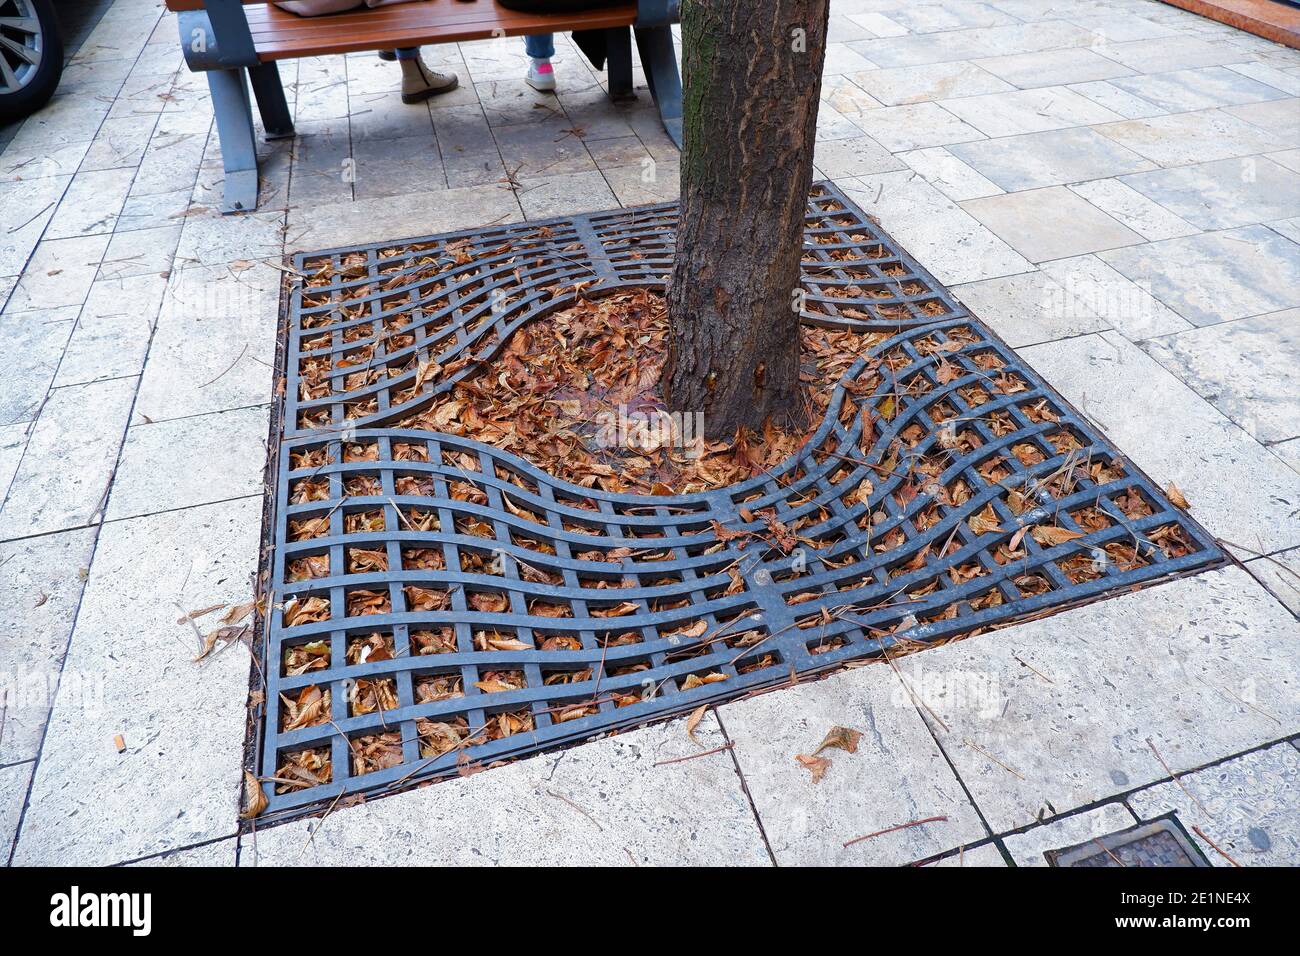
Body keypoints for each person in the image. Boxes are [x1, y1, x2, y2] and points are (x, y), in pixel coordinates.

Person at [275, 1, 458, 103]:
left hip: (286, 6)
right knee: (424, 5)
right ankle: (415, 76)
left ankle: (391, 45)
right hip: (315, 7)